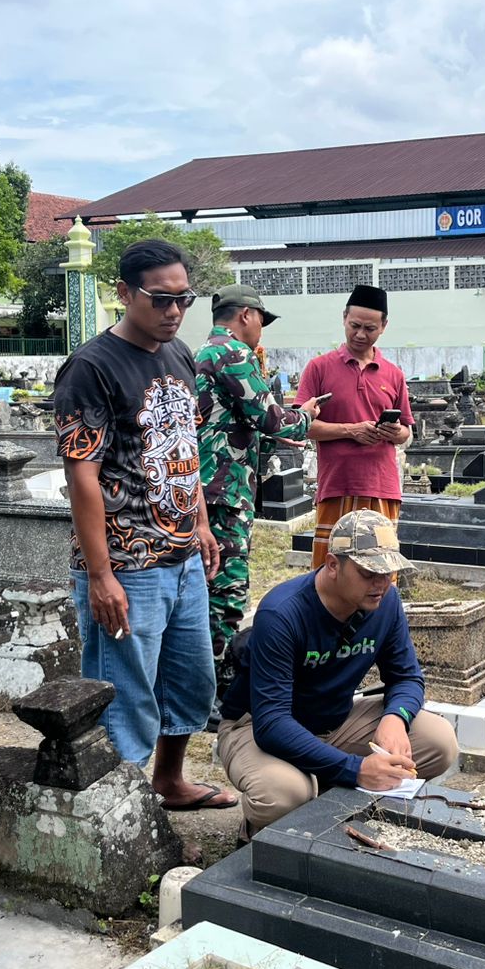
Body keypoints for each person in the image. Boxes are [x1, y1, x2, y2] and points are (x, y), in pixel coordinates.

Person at [54, 239, 236, 811]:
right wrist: (101, 574)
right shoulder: (91, 367)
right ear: (124, 293)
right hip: (127, 567)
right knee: (126, 694)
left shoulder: (177, 353)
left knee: (191, 682)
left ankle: (169, 780)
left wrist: (201, 522)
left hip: (181, 557)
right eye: (161, 300)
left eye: (184, 299)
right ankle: (120, 809)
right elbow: (82, 476)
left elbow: (185, 445)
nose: (174, 311)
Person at [216, 510, 459, 836]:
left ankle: (335, 804)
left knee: (439, 742)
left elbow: (407, 676)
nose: (381, 584)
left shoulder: (385, 602)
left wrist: (395, 719)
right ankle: (259, 833)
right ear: (332, 564)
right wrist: (355, 769)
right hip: (256, 726)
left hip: (335, 720)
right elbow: (272, 723)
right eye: (369, 572)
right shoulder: (283, 613)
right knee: (286, 795)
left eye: (389, 573)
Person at [195, 283, 320, 709]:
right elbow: (270, 416)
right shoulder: (233, 354)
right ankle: (218, 693)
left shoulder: (201, 354)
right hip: (224, 491)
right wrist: (306, 416)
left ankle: (206, 686)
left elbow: (233, 422)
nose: (262, 331)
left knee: (205, 585)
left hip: (209, 488)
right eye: (261, 321)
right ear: (246, 315)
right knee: (225, 592)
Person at [297, 284, 412, 568]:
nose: (360, 334)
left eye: (369, 328)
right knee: (330, 570)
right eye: (354, 325)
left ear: (384, 327)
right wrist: (351, 430)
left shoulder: (394, 374)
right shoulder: (319, 368)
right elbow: (302, 426)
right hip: (337, 484)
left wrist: (395, 433)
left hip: (382, 486)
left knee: (381, 571)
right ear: (344, 318)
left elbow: (407, 430)